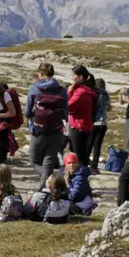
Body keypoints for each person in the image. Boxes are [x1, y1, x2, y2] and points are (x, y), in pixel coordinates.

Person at [26, 62, 69, 191]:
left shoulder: (34, 88)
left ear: (41, 73)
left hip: (38, 130)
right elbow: (66, 112)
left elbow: (28, 112)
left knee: (34, 161)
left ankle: (50, 183)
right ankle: (46, 188)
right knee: (49, 162)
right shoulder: (62, 90)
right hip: (56, 131)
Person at [67, 66, 97, 167]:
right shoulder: (87, 90)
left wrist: (69, 92)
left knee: (78, 157)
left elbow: (69, 106)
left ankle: (81, 178)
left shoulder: (81, 92)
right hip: (85, 126)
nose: (72, 77)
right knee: (82, 155)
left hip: (78, 126)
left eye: (74, 75)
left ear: (80, 77)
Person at [89, 77, 109, 174]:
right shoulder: (105, 95)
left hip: (92, 122)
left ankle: (85, 164)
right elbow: (108, 108)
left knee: (89, 144)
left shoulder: (92, 94)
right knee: (97, 146)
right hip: (102, 123)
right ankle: (94, 166)